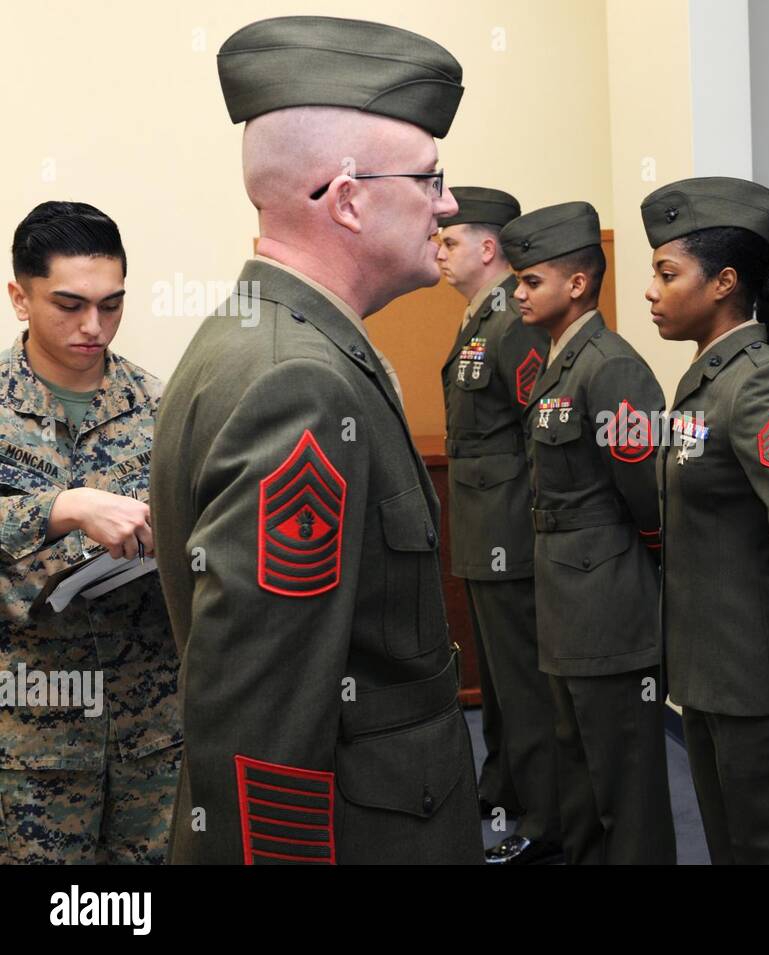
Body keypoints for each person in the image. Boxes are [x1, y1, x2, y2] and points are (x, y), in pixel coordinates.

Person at [151, 15, 482, 864]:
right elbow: (264, 728)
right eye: (431, 177)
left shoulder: (266, 336)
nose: (447, 203)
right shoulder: (295, 382)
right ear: (348, 197)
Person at [640, 176, 769, 864]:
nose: (651, 292)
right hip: (713, 675)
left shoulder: (760, 382)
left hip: (761, 680)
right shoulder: (706, 378)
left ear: (722, 283)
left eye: (666, 273)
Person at [1, 201, 182, 863]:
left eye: (111, 305)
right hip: (32, 737)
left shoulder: (162, 404)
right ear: (20, 296)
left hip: (151, 727)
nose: (93, 326)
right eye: (69, 304)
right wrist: (62, 507)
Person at [500, 201, 676, 864]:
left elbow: (649, 497)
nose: (517, 293)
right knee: (578, 776)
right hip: (568, 601)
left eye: (531, 281)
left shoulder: (611, 368)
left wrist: (645, 568)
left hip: (608, 603)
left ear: (576, 284)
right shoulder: (559, 361)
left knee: (623, 785)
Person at [435, 187, 561, 863]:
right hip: (486, 531)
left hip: (512, 532)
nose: (440, 252)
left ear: (489, 248)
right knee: (499, 682)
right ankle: (503, 786)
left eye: (450, 241)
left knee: (524, 688)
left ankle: (542, 823)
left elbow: (539, 431)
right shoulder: (480, 318)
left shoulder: (513, 323)